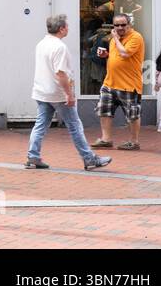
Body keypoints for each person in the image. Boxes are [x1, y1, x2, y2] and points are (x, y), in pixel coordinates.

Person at [24, 14, 110, 171]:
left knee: (41, 124)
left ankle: (33, 156)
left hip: (42, 91)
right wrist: (69, 95)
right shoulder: (60, 47)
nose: (69, 28)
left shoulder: (41, 44)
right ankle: (89, 158)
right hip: (58, 94)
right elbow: (61, 73)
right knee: (75, 126)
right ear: (61, 28)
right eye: (67, 26)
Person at [91, 14, 145, 152]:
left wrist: (114, 37)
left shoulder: (135, 37)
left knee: (132, 114)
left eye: (123, 25)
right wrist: (106, 55)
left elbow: (125, 53)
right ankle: (106, 139)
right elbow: (116, 56)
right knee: (104, 110)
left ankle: (134, 141)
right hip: (110, 82)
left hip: (128, 83)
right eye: (117, 25)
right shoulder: (114, 40)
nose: (120, 28)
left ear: (129, 25)